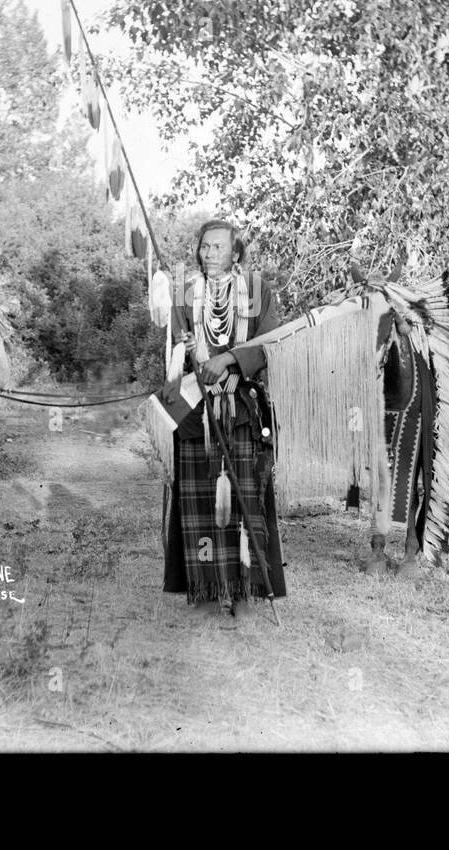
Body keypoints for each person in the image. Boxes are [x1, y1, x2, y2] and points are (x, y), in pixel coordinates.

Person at [162, 220, 287, 617]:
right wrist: (189, 353)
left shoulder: (257, 290)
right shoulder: (184, 295)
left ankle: (247, 590)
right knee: (200, 503)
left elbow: (272, 342)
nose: (209, 253)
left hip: (243, 409)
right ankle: (210, 588)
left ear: (236, 253)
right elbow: (174, 354)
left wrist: (229, 358)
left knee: (245, 503)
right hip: (196, 411)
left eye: (218, 247)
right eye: (204, 246)